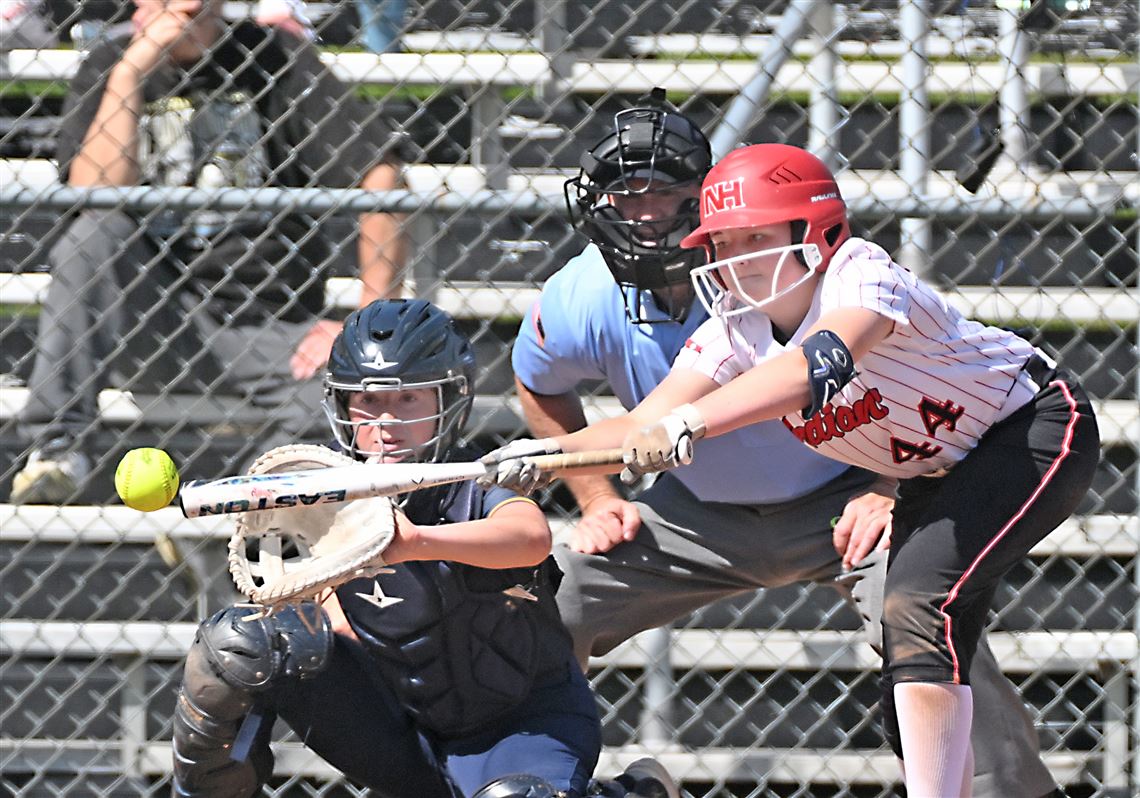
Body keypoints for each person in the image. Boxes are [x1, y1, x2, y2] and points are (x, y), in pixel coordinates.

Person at [489, 97, 1068, 798]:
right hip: (693, 516)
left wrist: (884, 488)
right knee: (541, 607)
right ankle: (533, 786)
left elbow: (823, 368)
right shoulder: (713, 319)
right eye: (727, 243)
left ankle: (1014, 791)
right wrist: (559, 464)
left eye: (755, 238)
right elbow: (636, 419)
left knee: (925, 618)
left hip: (856, 495)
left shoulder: (853, 275)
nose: (739, 261)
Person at [171, 298, 678, 798]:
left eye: (409, 400)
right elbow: (322, 621)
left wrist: (413, 543)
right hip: (402, 727)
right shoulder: (329, 495)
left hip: (517, 727)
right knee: (239, 645)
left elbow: (529, 538)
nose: (385, 423)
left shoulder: (474, 480)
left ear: (449, 402)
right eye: (367, 401)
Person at [10, 0, 406, 504]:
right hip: (148, 321)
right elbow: (94, 192)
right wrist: (132, 72)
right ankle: (57, 448)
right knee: (94, 232)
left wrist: (366, 325)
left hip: (267, 324)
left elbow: (381, 174)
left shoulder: (273, 54)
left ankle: (218, 514)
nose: (190, 8)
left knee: (344, 402)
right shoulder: (110, 61)